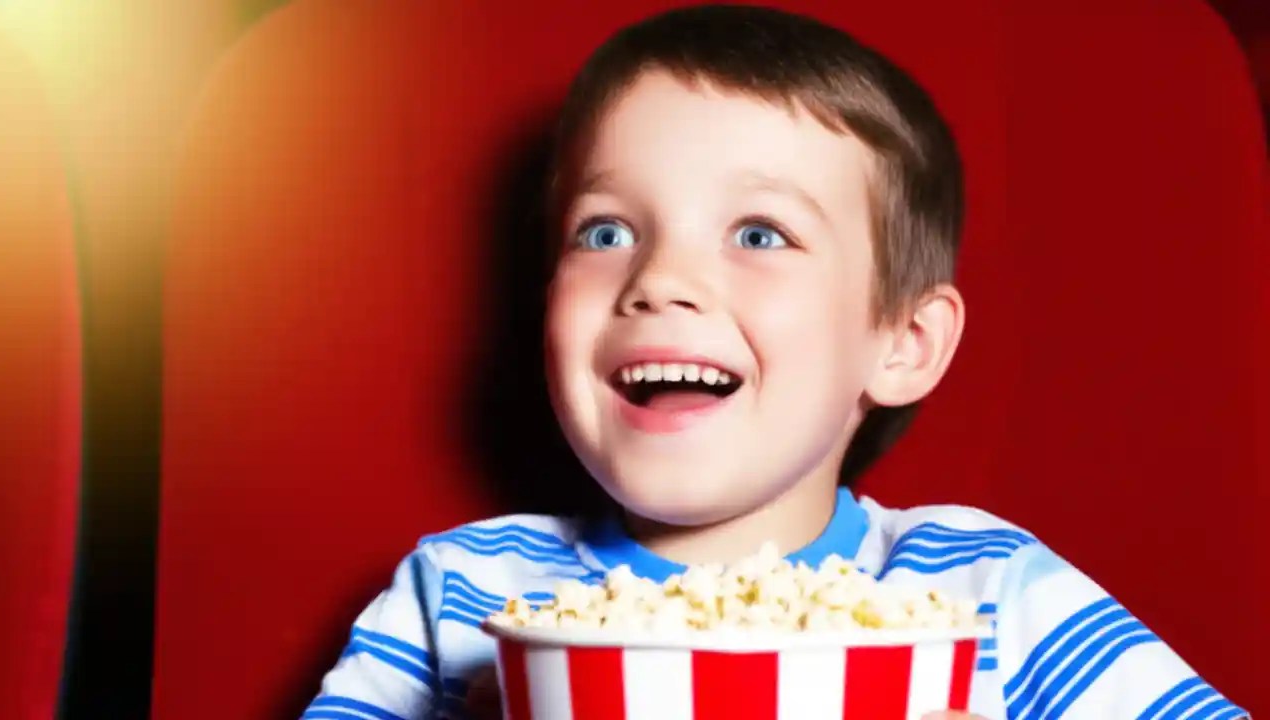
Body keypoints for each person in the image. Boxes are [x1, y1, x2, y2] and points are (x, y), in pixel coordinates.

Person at [301, 5, 1246, 719]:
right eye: (606, 230)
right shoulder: (458, 596)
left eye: (759, 233)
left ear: (904, 343)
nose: (659, 280)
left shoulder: (992, 593)